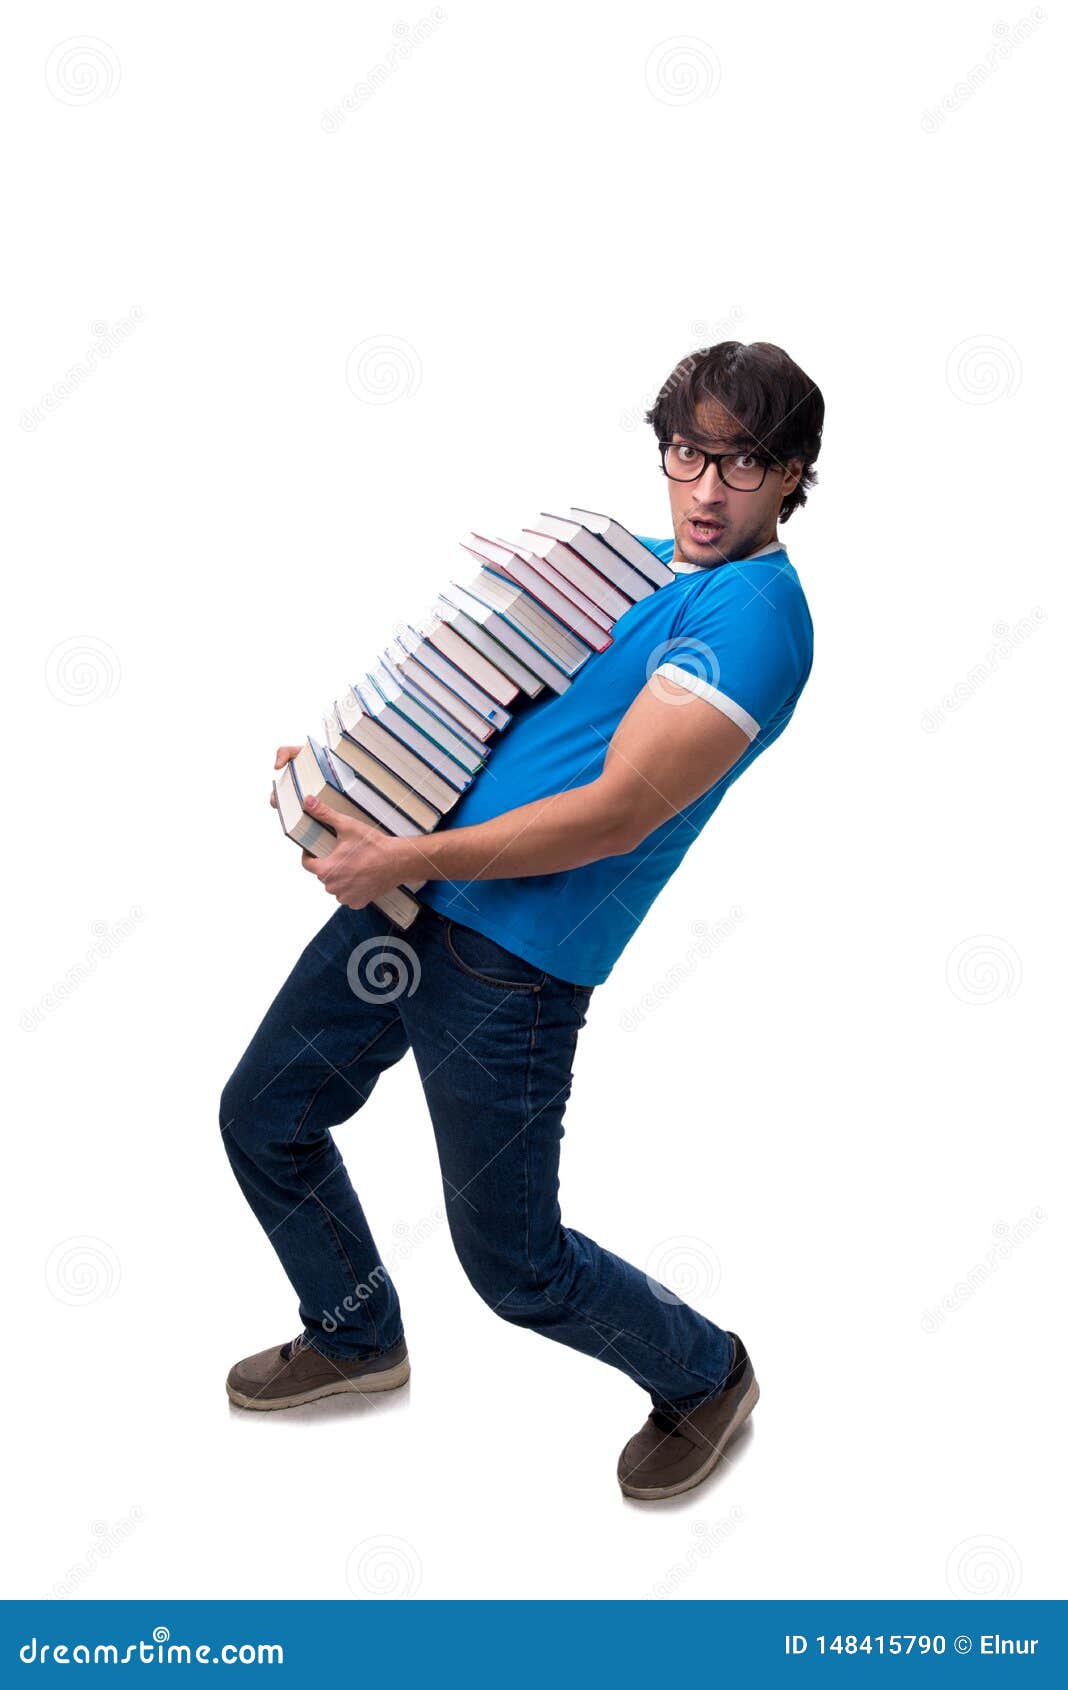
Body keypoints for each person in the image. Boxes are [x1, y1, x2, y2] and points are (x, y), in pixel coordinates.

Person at [220, 339, 823, 1501]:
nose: (705, 490)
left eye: (742, 464)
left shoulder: (758, 620)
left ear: (794, 473)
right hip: (415, 899)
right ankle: (355, 1334)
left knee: (516, 1264)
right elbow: (491, 705)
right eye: (687, 454)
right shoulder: (642, 566)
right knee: (267, 1113)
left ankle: (706, 1373)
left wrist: (404, 850)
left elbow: (612, 813)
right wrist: (352, 779)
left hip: (516, 963)